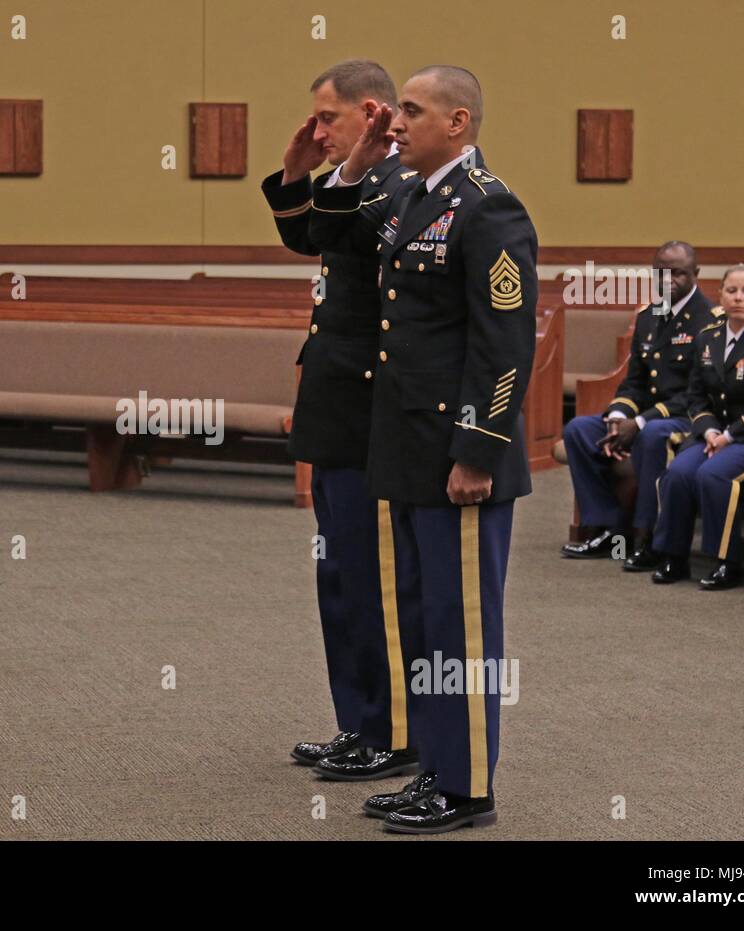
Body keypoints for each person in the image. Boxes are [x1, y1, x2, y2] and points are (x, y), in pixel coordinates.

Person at [309, 65, 538, 833]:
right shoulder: (408, 195)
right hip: (404, 449)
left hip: (457, 454)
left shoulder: (489, 208)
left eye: (410, 111)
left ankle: (468, 785)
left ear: (458, 122)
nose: (396, 122)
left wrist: (478, 447)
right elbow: (330, 231)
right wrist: (353, 161)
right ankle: (434, 768)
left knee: (461, 623)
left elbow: (503, 346)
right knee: (422, 616)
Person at [261, 60, 422, 781]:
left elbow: (340, 235)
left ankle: (393, 731)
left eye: (328, 118)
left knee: (373, 577)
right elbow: (312, 239)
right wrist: (295, 176)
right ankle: (357, 720)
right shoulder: (355, 179)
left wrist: (339, 171)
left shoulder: (400, 182)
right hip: (336, 402)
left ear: (371, 111)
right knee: (339, 576)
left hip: (370, 408)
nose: (317, 131)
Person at [559, 242, 720, 568]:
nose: (669, 279)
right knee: (578, 430)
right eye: (662, 272)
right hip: (647, 417)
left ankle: (647, 537)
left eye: (678, 273)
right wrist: (619, 416)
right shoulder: (651, 315)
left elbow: (696, 394)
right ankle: (607, 528)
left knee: (652, 435)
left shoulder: (710, 320)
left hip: (689, 418)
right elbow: (634, 381)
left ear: (695, 275)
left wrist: (640, 422)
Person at [650, 265, 744, 589]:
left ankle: (728, 564)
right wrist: (711, 432)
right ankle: (674, 557)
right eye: (732, 291)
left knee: (713, 474)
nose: (739, 298)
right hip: (715, 435)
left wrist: (731, 435)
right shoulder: (707, 338)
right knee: (677, 473)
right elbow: (696, 397)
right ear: (720, 294)